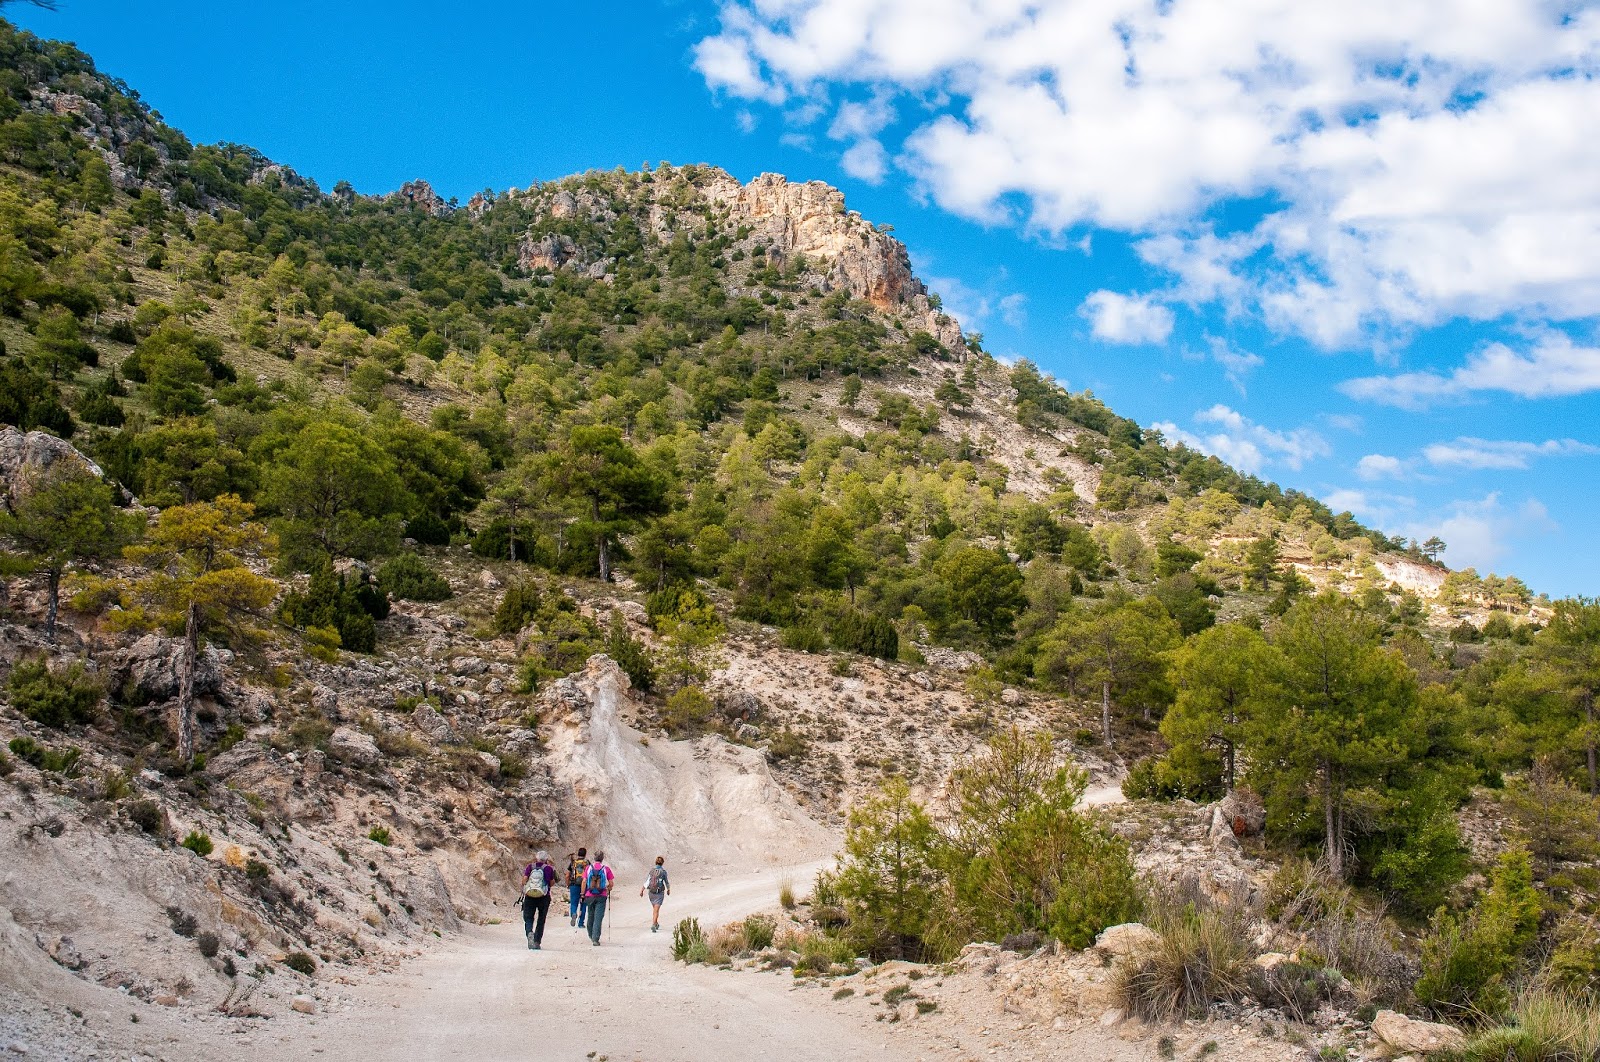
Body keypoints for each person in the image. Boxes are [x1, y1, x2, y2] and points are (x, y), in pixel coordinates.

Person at [520, 850, 556, 950]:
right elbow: (551, 883)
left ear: (536, 858)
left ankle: (529, 932)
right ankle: (536, 942)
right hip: (543, 897)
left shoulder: (530, 867)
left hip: (530, 895)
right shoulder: (548, 868)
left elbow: (524, 879)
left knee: (528, 917)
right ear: (546, 859)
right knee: (541, 919)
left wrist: (525, 888)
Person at [582, 849, 614, 946]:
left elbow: (584, 881)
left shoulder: (588, 868)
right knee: (598, 917)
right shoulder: (606, 869)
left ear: (594, 858)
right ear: (602, 858)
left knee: (590, 915)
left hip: (589, 895)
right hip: (601, 895)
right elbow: (611, 883)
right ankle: (595, 939)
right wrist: (608, 889)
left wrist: (582, 893)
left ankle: (591, 934)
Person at [640, 856, 670, 933]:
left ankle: (656, 923)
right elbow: (666, 882)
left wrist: (642, 890)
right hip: (659, 893)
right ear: (662, 863)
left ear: (656, 862)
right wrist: (668, 889)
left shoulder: (652, 870)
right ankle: (653, 924)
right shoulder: (663, 872)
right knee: (656, 910)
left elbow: (647, 881)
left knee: (655, 910)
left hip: (651, 893)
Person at [566, 848, 590, 929]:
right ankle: (581, 923)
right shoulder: (587, 863)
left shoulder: (573, 863)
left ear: (578, 854)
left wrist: (568, 884)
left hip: (574, 885)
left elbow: (567, 875)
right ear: (585, 854)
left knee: (573, 903)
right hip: (585, 885)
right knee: (584, 904)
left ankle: (573, 913)